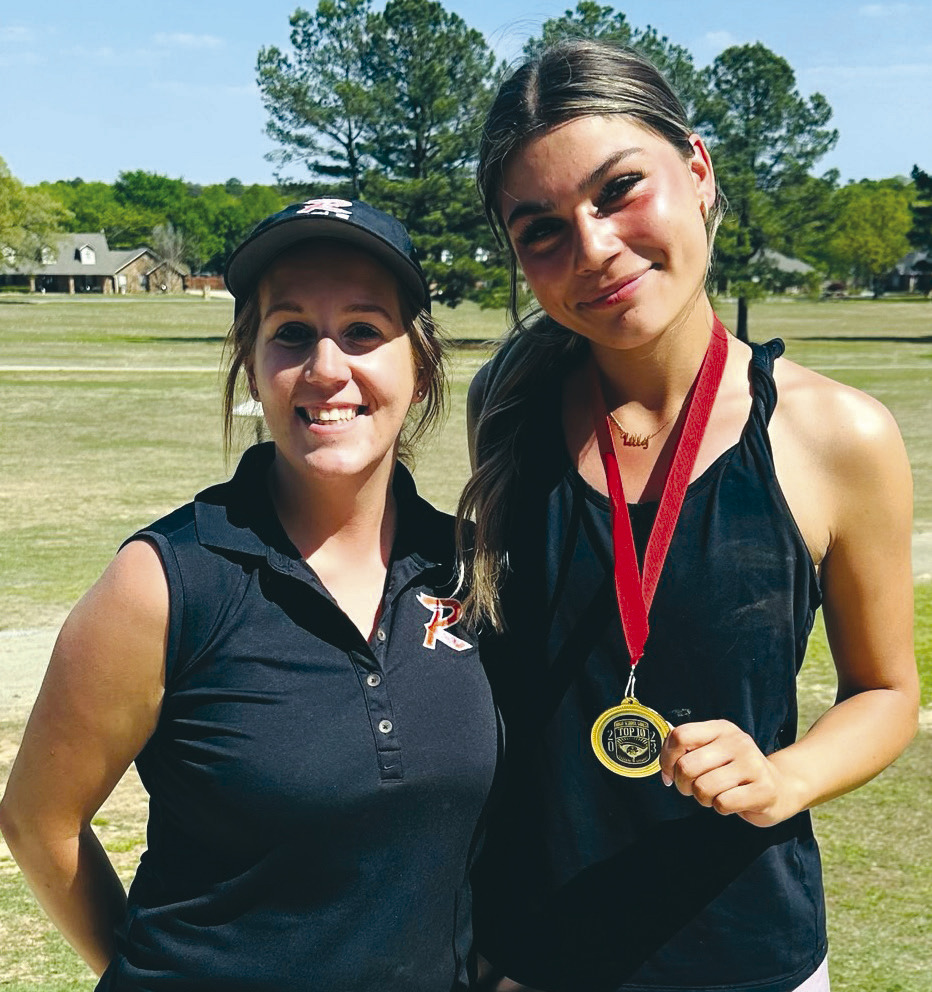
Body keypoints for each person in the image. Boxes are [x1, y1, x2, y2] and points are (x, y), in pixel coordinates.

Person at [457, 40, 918, 992]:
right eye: (541, 229)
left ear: (698, 170)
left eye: (619, 189)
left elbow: (886, 695)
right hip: (532, 956)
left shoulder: (840, 437)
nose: (593, 248)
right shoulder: (508, 409)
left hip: (746, 956)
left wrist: (785, 776)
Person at [0, 198, 499, 991]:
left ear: (421, 361)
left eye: (364, 331)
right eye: (291, 333)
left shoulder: (470, 571)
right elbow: (38, 821)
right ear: (253, 360)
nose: (327, 369)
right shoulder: (166, 580)